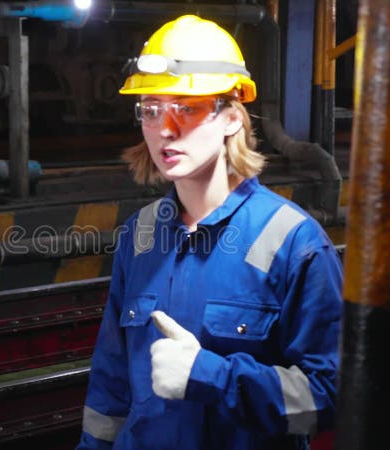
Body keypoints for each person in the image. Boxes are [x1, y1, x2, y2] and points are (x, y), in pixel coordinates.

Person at [77, 15, 342, 449]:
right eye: (151, 109)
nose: (165, 128)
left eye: (187, 107)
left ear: (232, 118)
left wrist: (210, 375)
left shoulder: (293, 242)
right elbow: (110, 387)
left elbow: (329, 398)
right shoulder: (140, 235)